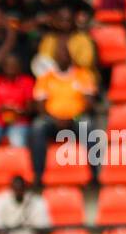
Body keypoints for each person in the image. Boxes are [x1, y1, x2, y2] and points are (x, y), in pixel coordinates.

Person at [30, 40, 97, 181]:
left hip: (75, 119)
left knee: (88, 124)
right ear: (54, 59)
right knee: (38, 126)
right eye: (59, 55)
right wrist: (56, 119)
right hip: (52, 120)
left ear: (71, 57)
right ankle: (38, 174)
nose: (63, 58)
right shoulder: (45, 78)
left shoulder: (83, 75)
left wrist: (72, 117)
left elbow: (89, 103)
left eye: (65, 55)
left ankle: (94, 173)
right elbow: (40, 106)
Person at [0, 52, 34, 161]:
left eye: (14, 65)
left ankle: (17, 173)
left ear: (19, 67)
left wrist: (18, 110)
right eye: (8, 65)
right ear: (3, 66)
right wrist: (2, 109)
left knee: (18, 146)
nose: (11, 68)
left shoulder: (27, 81)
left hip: (19, 122)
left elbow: (30, 109)